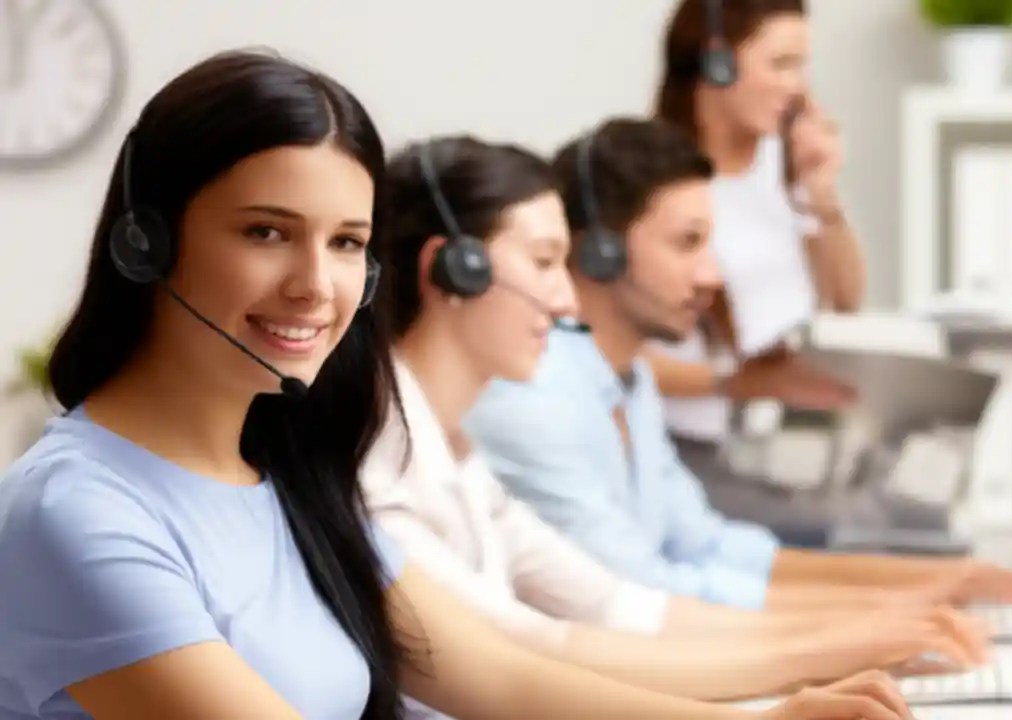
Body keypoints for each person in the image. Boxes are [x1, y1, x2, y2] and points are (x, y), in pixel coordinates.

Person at [0, 50, 913, 720]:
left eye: (348, 242)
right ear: (146, 242)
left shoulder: (288, 475)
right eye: (268, 232)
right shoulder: (78, 513)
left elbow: (499, 676)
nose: (317, 286)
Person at [360, 135, 987, 706]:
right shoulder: (382, 460)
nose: (566, 299)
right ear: (453, 269)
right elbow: (527, 651)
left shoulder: (455, 447)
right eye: (545, 262)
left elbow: (615, 607)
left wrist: (852, 638)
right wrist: (820, 660)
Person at [465, 117, 1012, 620]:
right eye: (688, 243)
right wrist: (888, 609)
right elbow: (640, 592)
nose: (713, 275)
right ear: (599, 252)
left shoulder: (629, 381)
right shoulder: (534, 398)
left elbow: (710, 545)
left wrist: (930, 584)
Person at [647, 0, 872, 537]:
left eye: (803, 66)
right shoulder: (654, 178)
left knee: (907, 523)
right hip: (696, 450)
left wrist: (820, 195)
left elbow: (846, 299)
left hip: (790, 448)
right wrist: (742, 384)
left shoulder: (784, 164)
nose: (796, 87)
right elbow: (615, 355)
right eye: (780, 64)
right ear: (717, 63)